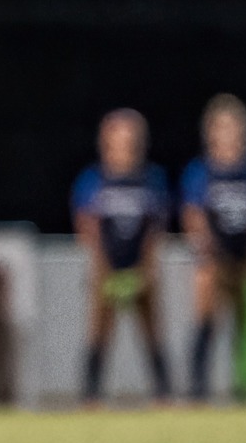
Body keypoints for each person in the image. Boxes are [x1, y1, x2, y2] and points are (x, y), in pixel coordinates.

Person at [69, 108, 172, 406]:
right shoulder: (92, 180)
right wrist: (103, 268)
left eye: (132, 139)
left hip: (140, 267)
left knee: (153, 329)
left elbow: (156, 227)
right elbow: (86, 227)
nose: (126, 146)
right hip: (107, 268)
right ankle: (90, 395)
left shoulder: (152, 179)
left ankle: (163, 393)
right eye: (119, 139)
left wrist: (147, 268)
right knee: (99, 329)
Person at [181, 94, 246, 403]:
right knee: (207, 319)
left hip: (244, 257)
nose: (229, 135)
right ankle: (198, 388)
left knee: (245, 323)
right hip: (212, 259)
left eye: (234, 128)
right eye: (222, 128)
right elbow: (193, 216)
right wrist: (210, 252)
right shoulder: (201, 171)